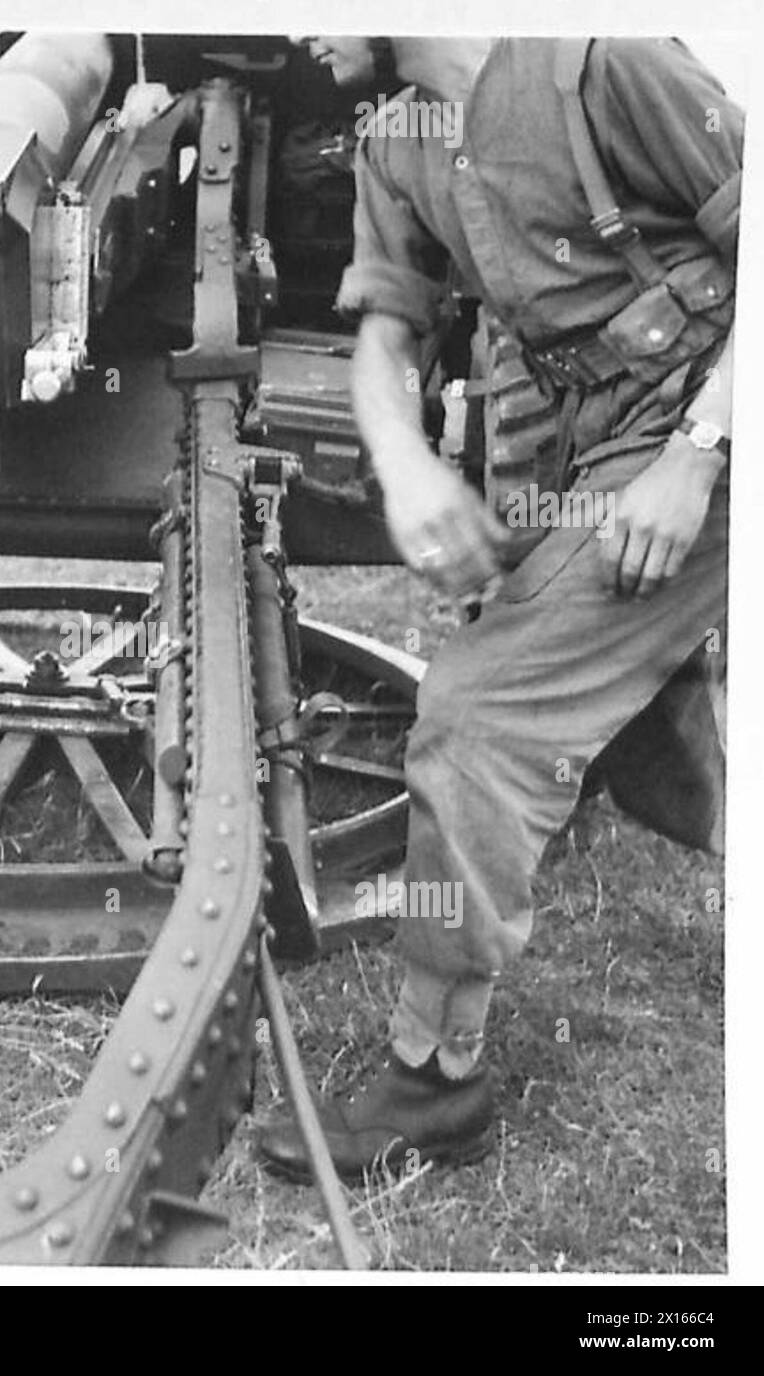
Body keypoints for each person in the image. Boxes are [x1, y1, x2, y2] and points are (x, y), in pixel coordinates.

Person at [259, 36, 737, 1181]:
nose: (293, 31)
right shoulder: (395, 141)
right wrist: (406, 464)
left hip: (698, 428)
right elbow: (382, 335)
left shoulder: (604, 66)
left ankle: (435, 1075)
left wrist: (702, 450)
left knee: (476, 717)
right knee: (649, 744)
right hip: (582, 439)